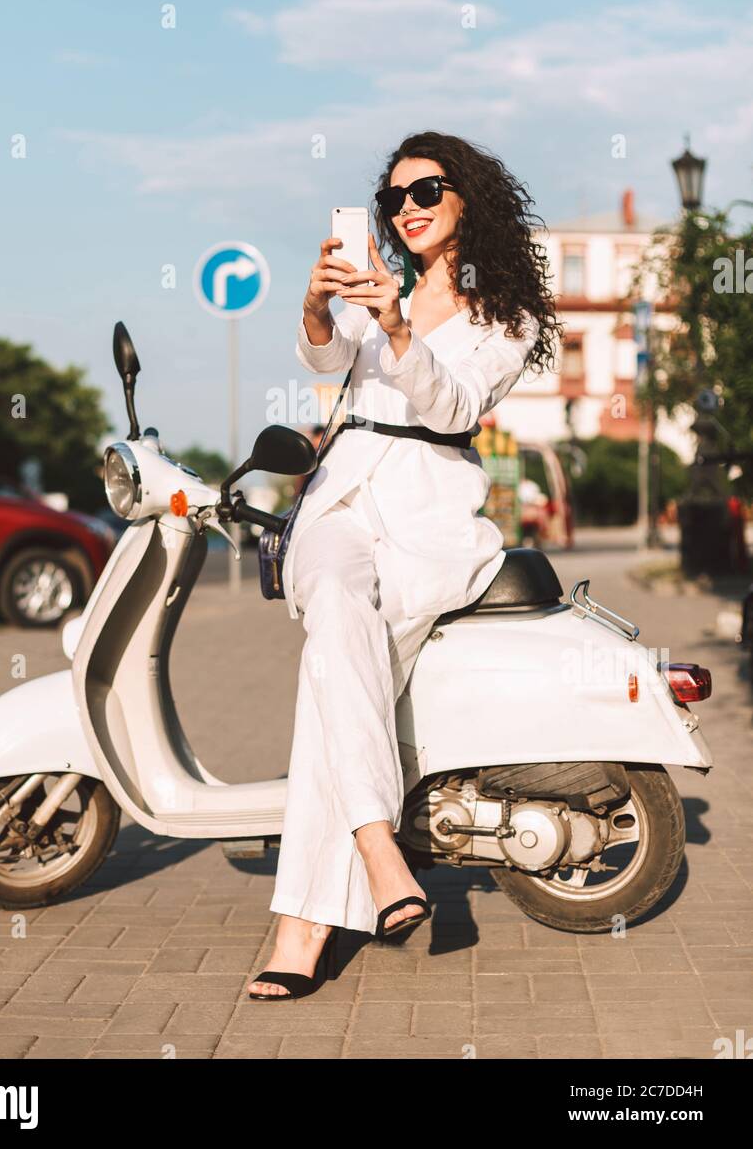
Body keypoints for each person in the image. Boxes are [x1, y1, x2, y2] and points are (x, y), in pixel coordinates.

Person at [247, 130, 560, 1000]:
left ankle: (304, 922)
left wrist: (396, 326)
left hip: (428, 520)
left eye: (425, 190)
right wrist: (319, 307)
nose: (408, 209)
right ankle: (379, 848)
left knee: (336, 676)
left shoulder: (503, 314)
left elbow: (453, 401)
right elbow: (322, 357)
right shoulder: (371, 288)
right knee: (340, 609)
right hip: (340, 501)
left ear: (467, 200)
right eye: (393, 199)